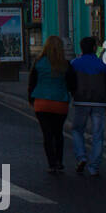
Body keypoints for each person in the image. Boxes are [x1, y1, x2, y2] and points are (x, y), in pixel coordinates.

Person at [66, 36, 106, 176]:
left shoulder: (75, 63)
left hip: (81, 102)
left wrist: (73, 95)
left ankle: (81, 156)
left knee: (77, 130)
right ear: (94, 48)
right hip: (99, 103)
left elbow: (70, 82)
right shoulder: (102, 65)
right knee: (98, 135)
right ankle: (94, 167)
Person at [28, 35, 71, 173]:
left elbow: (32, 82)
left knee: (47, 134)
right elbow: (71, 84)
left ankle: (51, 164)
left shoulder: (38, 62)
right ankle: (59, 161)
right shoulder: (65, 64)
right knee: (58, 133)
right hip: (60, 102)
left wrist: (31, 100)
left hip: (41, 102)